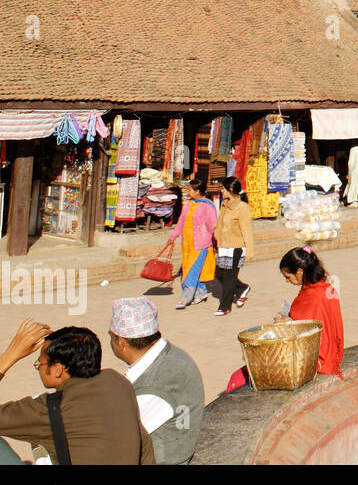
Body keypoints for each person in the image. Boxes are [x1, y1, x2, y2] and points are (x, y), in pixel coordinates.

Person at [0, 319, 154, 465]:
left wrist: (10, 355)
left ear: (58, 370)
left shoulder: (48, 409)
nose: (39, 369)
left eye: (40, 364)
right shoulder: (116, 382)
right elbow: (144, 448)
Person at [107, 297, 205, 465]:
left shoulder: (154, 385)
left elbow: (115, 440)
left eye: (111, 336)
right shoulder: (171, 355)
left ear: (121, 343)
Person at [279, 247, 344, 376]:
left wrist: (288, 322)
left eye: (288, 276)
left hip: (320, 360)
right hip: (333, 354)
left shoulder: (313, 295)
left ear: (299, 272)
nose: (287, 280)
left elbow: (308, 329)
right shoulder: (324, 286)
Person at [168, 177, 217, 309]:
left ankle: (186, 296)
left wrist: (217, 241)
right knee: (191, 268)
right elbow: (181, 222)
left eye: (190, 189)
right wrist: (174, 236)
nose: (188, 191)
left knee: (191, 271)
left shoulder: (208, 206)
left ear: (197, 192)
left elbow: (213, 226)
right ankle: (201, 293)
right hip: (187, 243)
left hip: (202, 244)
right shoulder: (188, 204)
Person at [213, 177, 255, 316]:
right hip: (223, 246)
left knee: (229, 279)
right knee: (219, 274)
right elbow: (219, 224)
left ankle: (225, 307)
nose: (221, 191)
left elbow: (246, 230)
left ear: (230, 190)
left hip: (236, 247)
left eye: (223, 189)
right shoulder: (224, 204)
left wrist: (249, 250)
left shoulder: (242, 208)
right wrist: (216, 240)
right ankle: (242, 288)